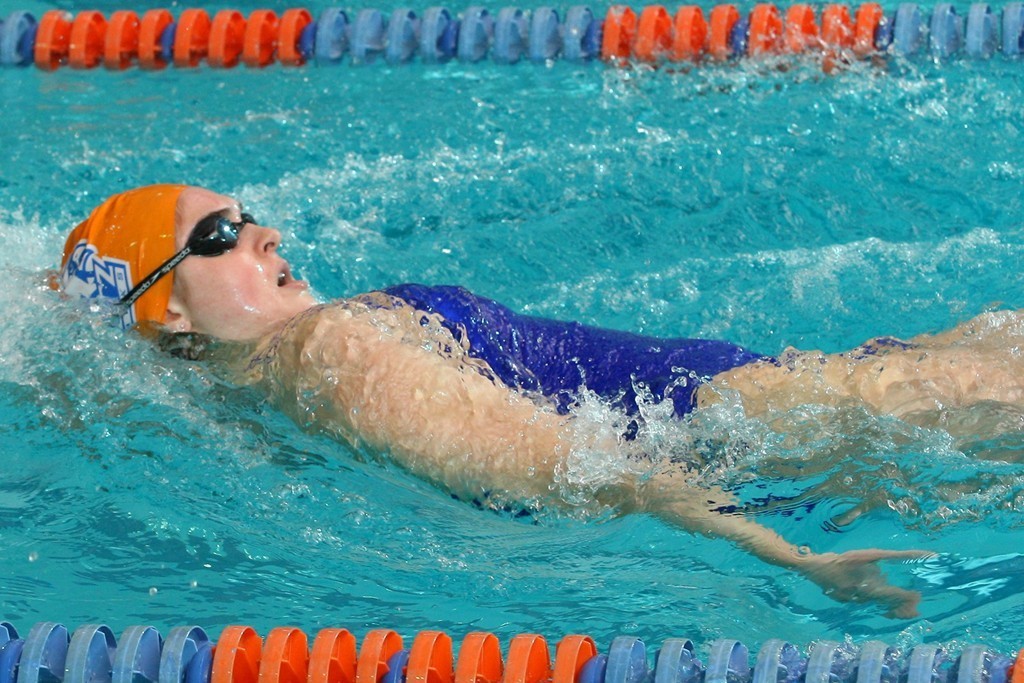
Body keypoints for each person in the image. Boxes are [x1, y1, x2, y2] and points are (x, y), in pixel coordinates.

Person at [64, 184, 1024, 619]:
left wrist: (788, 554)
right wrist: (792, 556)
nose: (266, 232)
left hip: (758, 423)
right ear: (169, 315)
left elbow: (569, 467)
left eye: (250, 213)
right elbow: (566, 463)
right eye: (222, 232)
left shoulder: (303, 363)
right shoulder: (325, 352)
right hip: (745, 419)